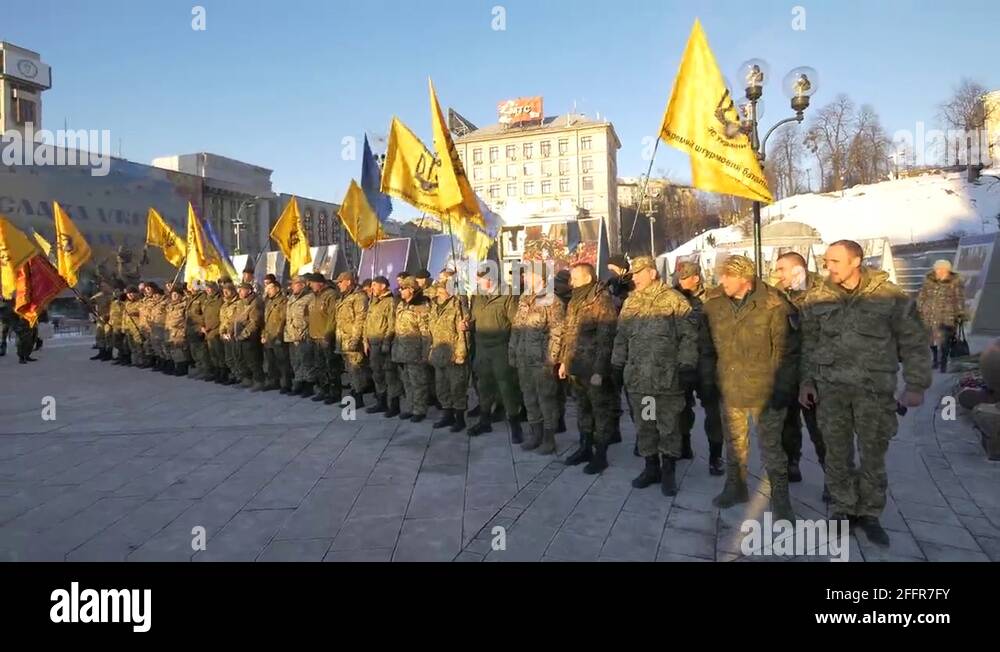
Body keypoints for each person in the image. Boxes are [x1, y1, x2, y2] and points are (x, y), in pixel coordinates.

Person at [799, 240, 931, 546]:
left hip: (874, 391)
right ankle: (843, 509)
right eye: (826, 261)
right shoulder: (817, 297)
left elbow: (914, 342)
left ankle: (870, 513)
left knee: (873, 454)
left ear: (856, 261)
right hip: (831, 391)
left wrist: (915, 385)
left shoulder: (889, 296)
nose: (827, 267)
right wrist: (806, 383)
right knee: (837, 453)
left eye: (834, 261)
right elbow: (808, 343)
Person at [703, 255, 799, 522]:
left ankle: (781, 501)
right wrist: (708, 382)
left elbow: (788, 351)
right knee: (734, 445)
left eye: (726, 276)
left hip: (765, 391)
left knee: (772, 448)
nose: (721, 280)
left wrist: (783, 389)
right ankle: (736, 488)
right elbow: (706, 348)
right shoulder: (713, 305)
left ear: (743, 278)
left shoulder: (773, 303)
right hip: (730, 387)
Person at [611, 255, 697, 496]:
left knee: (668, 426)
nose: (635, 278)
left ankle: (668, 471)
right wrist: (617, 365)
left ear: (652, 273)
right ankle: (652, 468)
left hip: (667, 380)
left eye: (639, 273)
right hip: (639, 380)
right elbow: (621, 337)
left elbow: (689, 336)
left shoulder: (674, 299)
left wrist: (688, 366)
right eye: (633, 275)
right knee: (646, 424)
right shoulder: (631, 302)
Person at [773, 251, 828, 494]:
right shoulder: (776, 295)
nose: (778, 275)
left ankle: (833, 478)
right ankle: (792, 464)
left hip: (817, 374)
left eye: (781, 269)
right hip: (786, 372)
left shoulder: (825, 293)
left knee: (822, 429)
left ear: (798, 270)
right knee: (787, 424)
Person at [560, 262, 618, 473]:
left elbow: (606, 338)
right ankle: (585, 447)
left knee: (600, 410)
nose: (571, 281)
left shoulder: (601, 299)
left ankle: (600, 454)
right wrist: (565, 363)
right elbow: (569, 334)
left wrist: (600, 371)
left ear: (586, 278)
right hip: (577, 366)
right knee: (582, 409)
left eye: (574, 277)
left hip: (594, 367)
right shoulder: (575, 299)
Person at [674, 261, 725, 476]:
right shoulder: (673, 298)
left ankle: (715, 456)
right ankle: (684, 444)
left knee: (713, 411)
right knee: (682, 407)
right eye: (679, 277)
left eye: (685, 277)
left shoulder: (714, 298)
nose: (681, 281)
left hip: (707, 362)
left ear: (696, 277)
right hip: (683, 361)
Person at [509, 262, 565, 454]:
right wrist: (513, 352)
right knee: (529, 397)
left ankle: (549, 439)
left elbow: (557, 332)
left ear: (540, 277)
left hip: (541, 360)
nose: (525, 277)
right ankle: (536, 434)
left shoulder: (552, 300)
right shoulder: (524, 298)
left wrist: (551, 359)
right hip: (524, 357)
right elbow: (517, 327)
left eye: (529, 274)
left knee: (546, 399)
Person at [462, 266, 522, 441]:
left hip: (501, 347)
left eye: (481, 278)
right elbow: (474, 319)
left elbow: (516, 323)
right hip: (482, 347)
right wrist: (468, 325)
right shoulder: (477, 296)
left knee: (506, 386)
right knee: (483, 385)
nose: (478, 281)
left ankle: (514, 423)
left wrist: (514, 348)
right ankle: (484, 420)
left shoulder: (508, 294)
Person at [429, 278, 470, 432]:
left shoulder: (457, 305)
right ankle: (447, 415)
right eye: (439, 290)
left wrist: (461, 353)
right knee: (442, 387)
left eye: (443, 289)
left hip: (454, 353)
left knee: (457, 387)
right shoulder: (434, 306)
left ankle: (459, 418)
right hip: (439, 353)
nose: (440, 293)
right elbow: (429, 330)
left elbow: (463, 332)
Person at [392, 276, 433, 421]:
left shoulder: (421, 307)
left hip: (415, 351)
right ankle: (410, 407)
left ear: (411, 289)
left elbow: (426, 332)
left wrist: (425, 352)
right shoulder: (401, 305)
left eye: (403, 288)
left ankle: (420, 410)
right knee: (407, 381)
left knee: (418, 382)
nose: (400, 291)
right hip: (402, 351)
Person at [917, 259, 965, 373]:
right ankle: (935, 359)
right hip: (930, 316)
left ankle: (943, 362)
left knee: (946, 341)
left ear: (948, 270)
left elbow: (959, 298)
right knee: (931, 341)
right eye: (938, 269)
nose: (940, 271)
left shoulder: (955, 282)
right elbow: (922, 296)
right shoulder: (928, 281)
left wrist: (960, 313)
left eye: (942, 269)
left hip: (947, 316)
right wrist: (919, 309)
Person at [364, 276, 403, 417]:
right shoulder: (373, 302)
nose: (372, 287)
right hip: (372, 344)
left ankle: (394, 404)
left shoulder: (390, 302)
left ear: (383, 286)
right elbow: (367, 322)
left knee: (390, 374)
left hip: (383, 344)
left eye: (374, 285)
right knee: (377, 373)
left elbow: (392, 325)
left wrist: (387, 342)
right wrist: (365, 340)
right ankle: (381, 401)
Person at [335, 272, 370, 407]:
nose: (338, 285)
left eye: (340, 282)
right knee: (349, 369)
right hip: (343, 339)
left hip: (351, 340)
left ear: (348, 282)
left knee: (356, 369)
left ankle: (358, 396)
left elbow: (360, 320)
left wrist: (355, 340)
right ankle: (354, 393)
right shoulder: (344, 297)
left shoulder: (359, 297)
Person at [307, 273, 342, 404]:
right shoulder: (315, 296)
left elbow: (332, 317)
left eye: (312, 283)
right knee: (319, 366)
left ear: (320, 283)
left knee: (331, 366)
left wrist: (328, 335)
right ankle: (324, 390)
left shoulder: (331, 295)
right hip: (315, 336)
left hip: (325, 337)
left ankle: (335, 393)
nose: (310, 285)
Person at [284, 275, 315, 396]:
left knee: (306, 361)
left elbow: (311, 317)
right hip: (291, 335)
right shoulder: (292, 297)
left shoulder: (310, 297)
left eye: (294, 284)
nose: (292, 286)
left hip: (303, 335)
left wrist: (302, 329)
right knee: (295, 361)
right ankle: (298, 382)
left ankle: (309, 385)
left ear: (302, 285)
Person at [261, 275, 292, 393]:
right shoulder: (269, 302)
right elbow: (265, 320)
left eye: (270, 289)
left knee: (282, 361)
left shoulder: (283, 301)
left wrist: (279, 335)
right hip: (269, 335)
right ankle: (273, 381)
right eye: (267, 289)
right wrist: (263, 335)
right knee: (271, 361)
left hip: (278, 335)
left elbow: (283, 319)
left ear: (277, 289)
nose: (267, 291)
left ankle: (286, 384)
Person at [234, 281, 265, 390]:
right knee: (243, 358)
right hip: (240, 336)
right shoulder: (241, 302)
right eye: (239, 290)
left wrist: (244, 334)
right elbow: (237, 318)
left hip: (250, 337)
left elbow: (255, 322)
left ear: (249, 290)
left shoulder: (255, 302)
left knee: (253, 360)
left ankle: (259, 381)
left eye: (242, 290)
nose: (240, 292)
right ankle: (247, 379)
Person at [218, 280, 242, 385]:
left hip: (233, 333)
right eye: (224, 291)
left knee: (236, 356)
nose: (225, 293)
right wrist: (222, 332)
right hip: (225, 334)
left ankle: (239, 376)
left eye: (228, 291)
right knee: (228, 357)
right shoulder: (224, 305)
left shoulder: (238, 303)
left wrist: (230, 331)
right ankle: (233, 373)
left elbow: (236, 319)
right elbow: (222, 320)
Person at [165, 285, 190, 376]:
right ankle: (177, 365)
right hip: (171, 331)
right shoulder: (170, 306)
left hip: (180, 330)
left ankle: (182, 367)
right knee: (174, 350)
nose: (174, 296)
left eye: (176, 294)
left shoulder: (184, 304)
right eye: (173, 294)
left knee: (180, 350)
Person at [185, 282, 208, 379]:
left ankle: (206, 370)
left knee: (201, 352)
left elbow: (205, 314)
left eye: (191, 285)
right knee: (194, 351)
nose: (189, 287)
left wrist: (202, 326)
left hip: (199, 328)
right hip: (191, 328)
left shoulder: (202, 297)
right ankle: (199, 368)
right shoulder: (191, 297)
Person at [200, 282, 223, 382]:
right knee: (212, 353)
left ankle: (223, 372)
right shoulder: (207, 300)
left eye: (209, 288)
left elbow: (219, 316)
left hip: (215, 329)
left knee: (219, 353)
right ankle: (216, 370)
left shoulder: (220, 299)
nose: (208, 290)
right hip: (207, 331)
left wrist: (210, 327)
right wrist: (202, 326)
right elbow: (204, 315)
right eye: (207, 288)